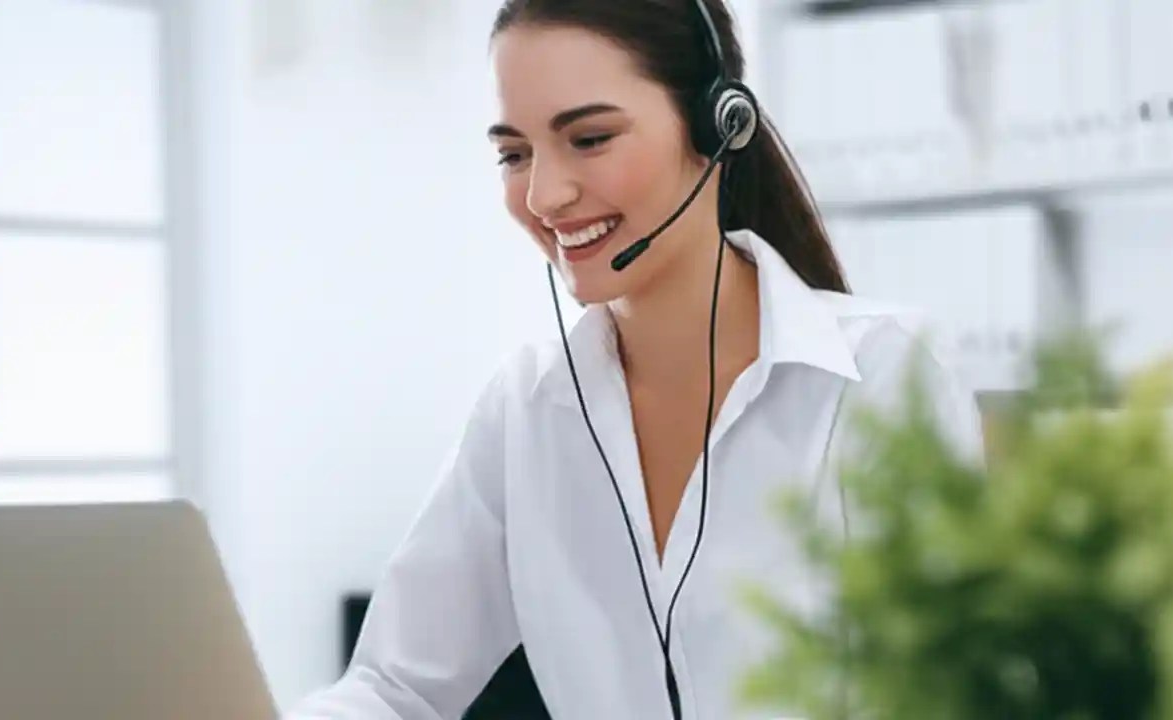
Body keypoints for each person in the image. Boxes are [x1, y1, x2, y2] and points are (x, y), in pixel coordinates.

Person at [288, 1, 983, 718]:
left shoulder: (883, 376)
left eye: (588, 139)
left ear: (720, 128)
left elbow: (943, 695)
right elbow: (394, 685)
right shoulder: (526, 408)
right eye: (514, 153)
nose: (544, 196)